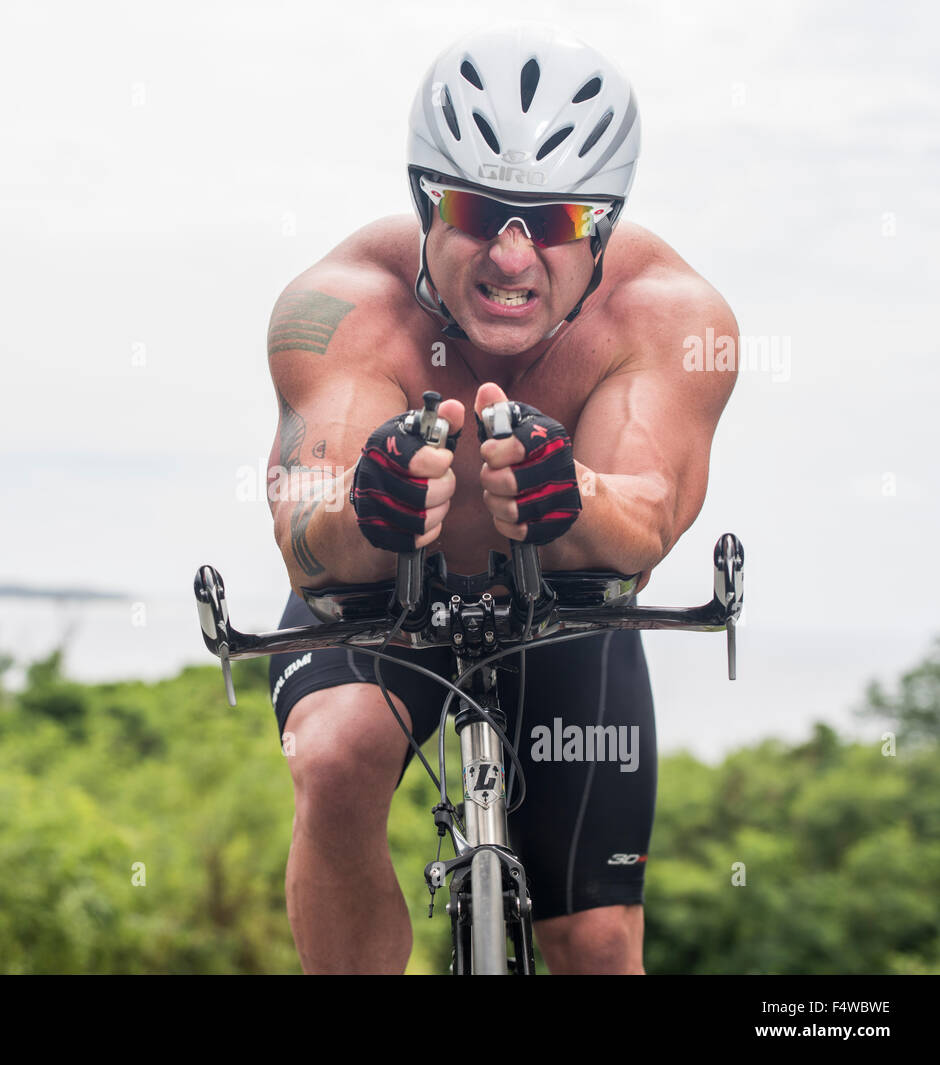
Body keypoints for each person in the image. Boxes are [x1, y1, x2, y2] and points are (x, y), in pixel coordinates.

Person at [264, 25, 738, 974]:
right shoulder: (340, 303)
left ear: (603, 222)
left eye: (557, 222)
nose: (512, 259)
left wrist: (569, 498)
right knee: (335, 755)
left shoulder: (674, 315)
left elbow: (641, 524)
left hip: (567, 600)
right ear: (424, 202)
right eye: (477, 212)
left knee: (595, 942)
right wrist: (370, 512)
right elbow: (304, 526)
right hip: (392, 594)